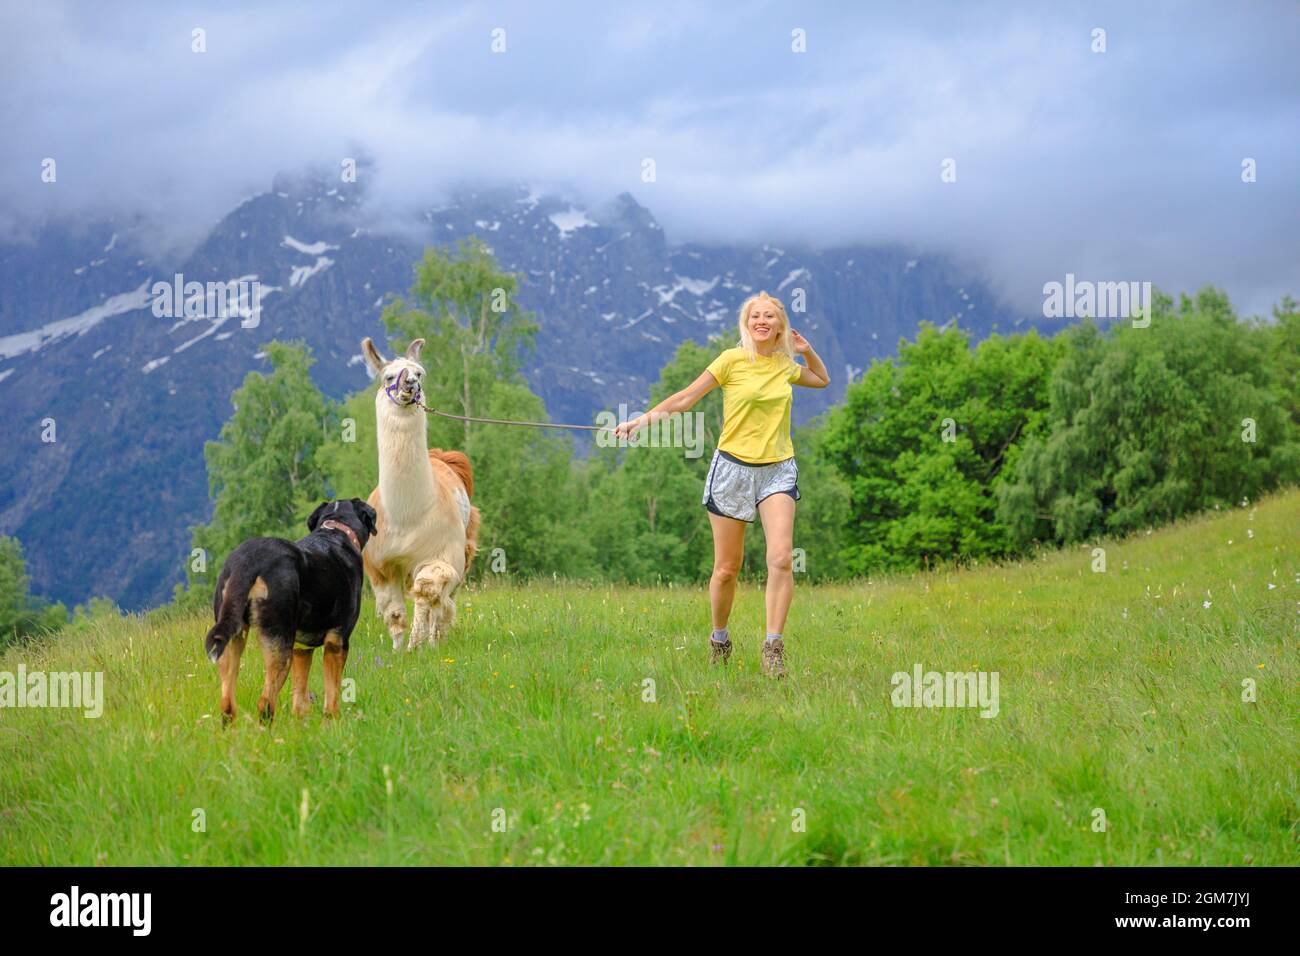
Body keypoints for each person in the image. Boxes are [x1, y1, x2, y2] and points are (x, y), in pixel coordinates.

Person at [615, 291, 829, 677]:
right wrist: (639, 421)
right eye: (754, 316)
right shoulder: (732, 360)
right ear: (746, 324)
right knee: (727, 569)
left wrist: (806, 350)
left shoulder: (785, 365)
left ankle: (773, 646)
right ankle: (719, 638)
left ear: (780, 325)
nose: (761, 321)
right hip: (732, 470)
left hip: (778, 470)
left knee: (781, 557)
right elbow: (686, 399)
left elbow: (821, 380)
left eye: (769, 316)